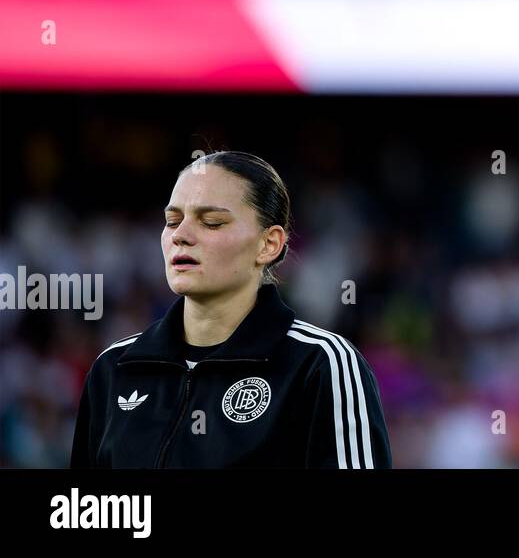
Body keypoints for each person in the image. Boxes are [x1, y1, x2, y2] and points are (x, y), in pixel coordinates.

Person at [70, 151, 391, 468]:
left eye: (212, 222)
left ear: (269, 244)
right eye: (172, 221)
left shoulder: (320, 365)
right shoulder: (114, 369)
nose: (180, 236)